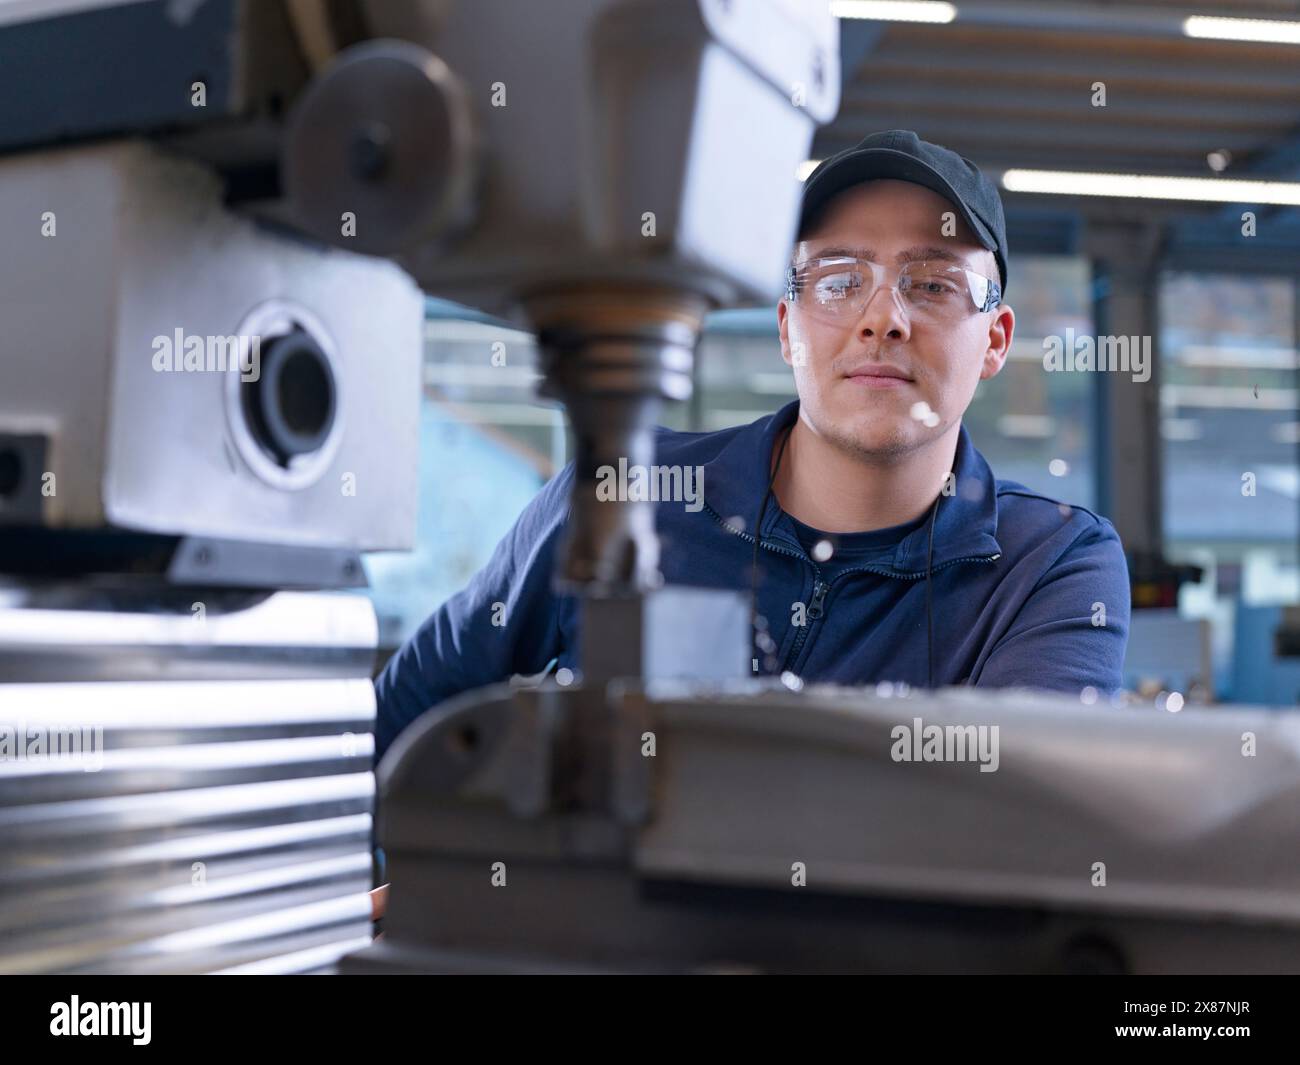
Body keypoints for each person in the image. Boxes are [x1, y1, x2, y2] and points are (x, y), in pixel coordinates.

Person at [373, 129, 1130, 763]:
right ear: (786, 328)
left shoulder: (1050, 565)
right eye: (838, 279)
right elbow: (393, 724)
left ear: (995, 339)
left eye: (932, 285)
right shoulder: (626, 499)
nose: (882, 319)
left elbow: (1023, 819)